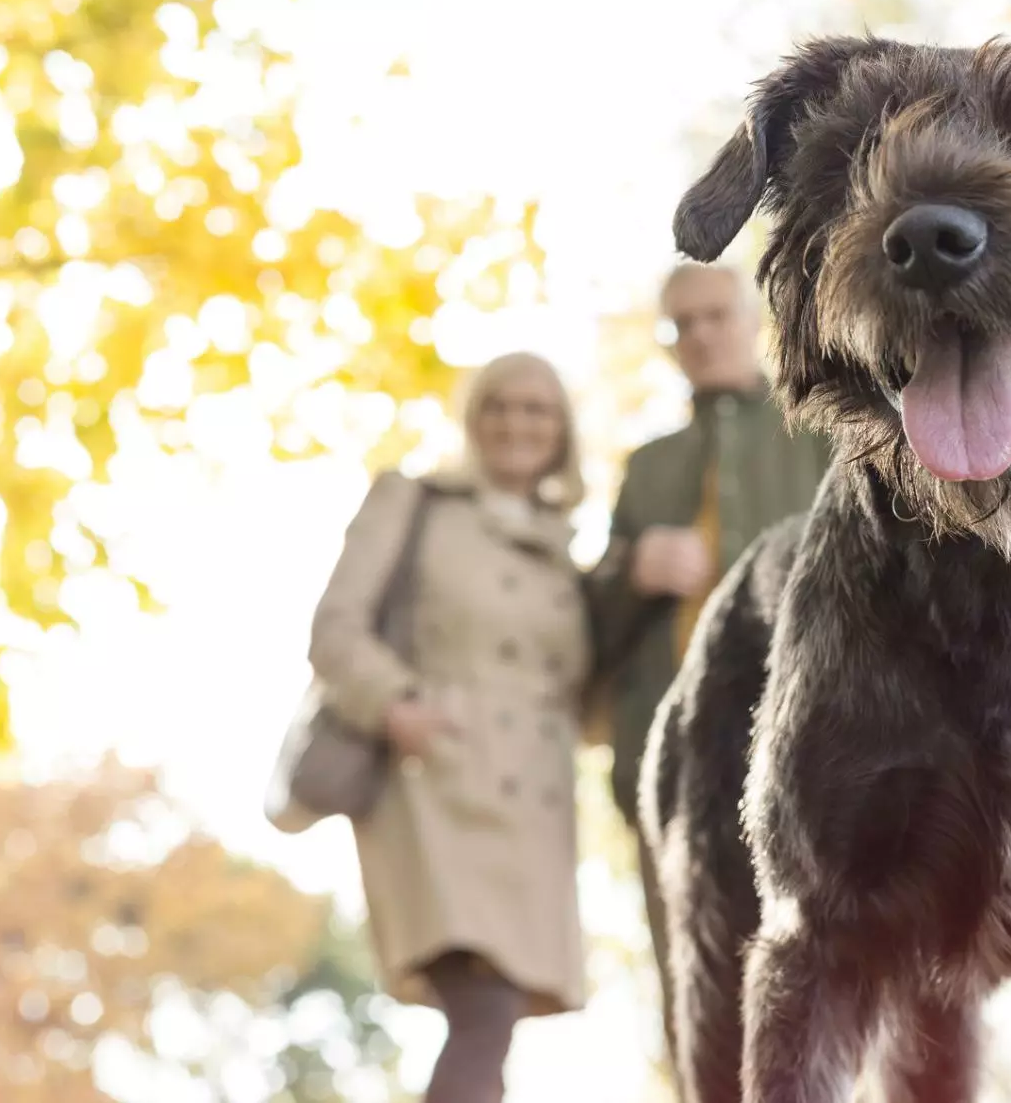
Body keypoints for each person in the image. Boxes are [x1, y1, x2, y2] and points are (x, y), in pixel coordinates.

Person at [308, 352, 590, 1103]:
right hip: (435, 782)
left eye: (537, 409)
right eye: (500, 404)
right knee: (481, 1007)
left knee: (493, 1016)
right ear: (474, 417)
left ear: (561, 430)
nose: (516, 423)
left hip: (532, 809)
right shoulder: (413, 500)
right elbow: (334, 629)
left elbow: (580, 693)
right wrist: (395, 703)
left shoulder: (565, 547)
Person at [584, 262, 833, 1063]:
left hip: (821, 758)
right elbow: (588, 631)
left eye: (714, 316)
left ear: (751, 318)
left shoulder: (822, 427)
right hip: (678, 770)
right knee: (697, 1001)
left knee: (838, 987)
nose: (700, 335)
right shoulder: (647, 467)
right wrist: (630, 569)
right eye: (681, 324)